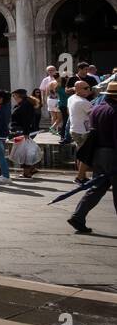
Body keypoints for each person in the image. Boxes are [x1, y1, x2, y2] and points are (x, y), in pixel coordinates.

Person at [68, 80, 117, 233]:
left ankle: (78, 215)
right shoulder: (115, 111)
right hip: (112, 153)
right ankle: (78, 216)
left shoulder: (97, 109)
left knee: (98, 187)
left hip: (98, 153)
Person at [68, 79, 94, 184]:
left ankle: (82, 176)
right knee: (85, 155)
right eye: (86, 88)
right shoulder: (83, 102)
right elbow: (94, 116)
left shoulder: (71, 98)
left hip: (74, 129)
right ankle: (79, 177)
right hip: (83, 131)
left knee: (80, 153)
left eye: (89, 87)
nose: (89, 90)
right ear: (77, 90)